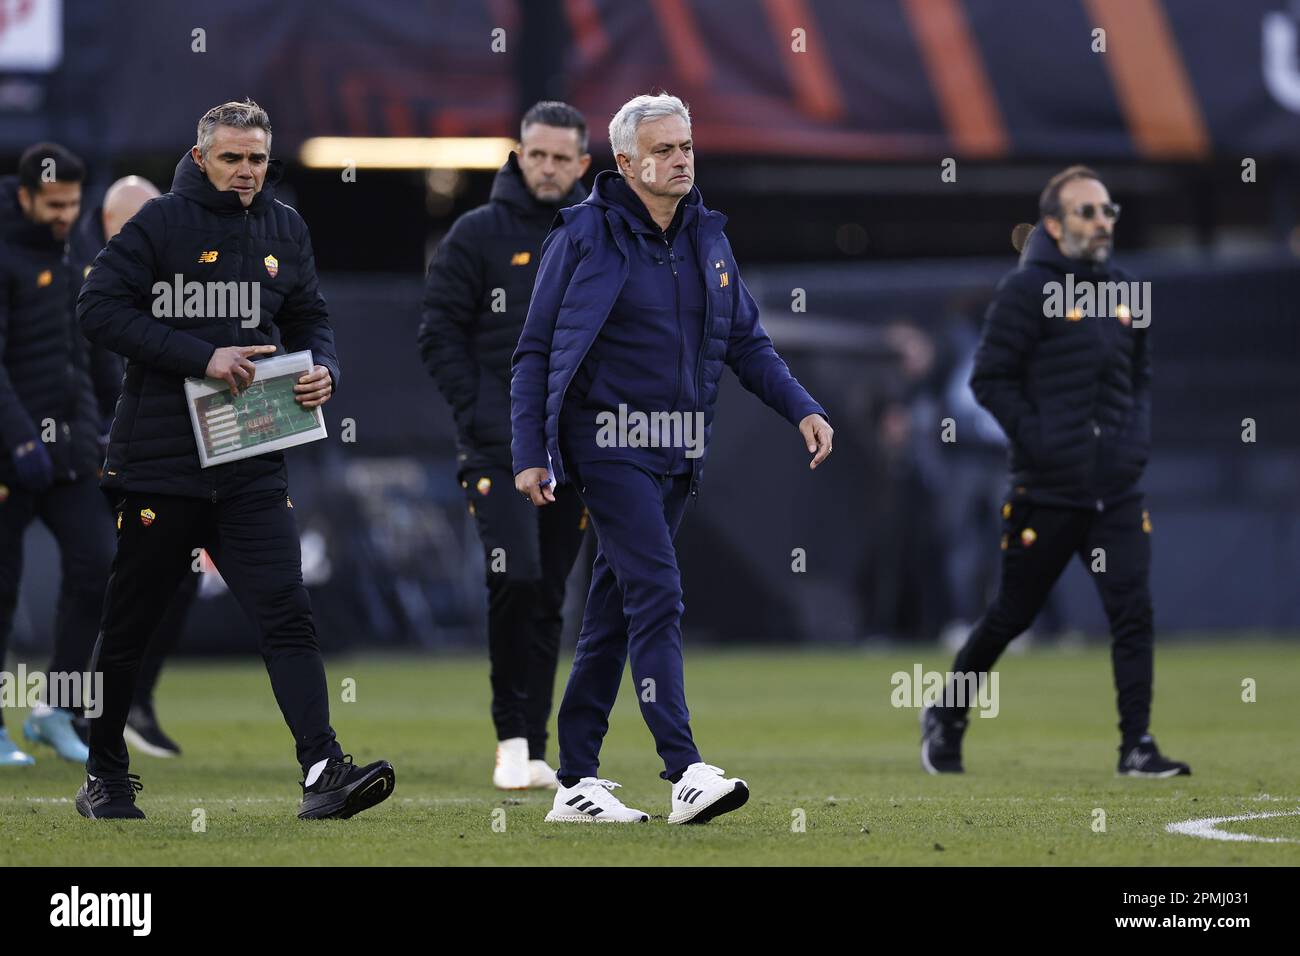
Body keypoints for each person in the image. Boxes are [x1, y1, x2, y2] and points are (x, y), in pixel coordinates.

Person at [512, 93, 833, 824]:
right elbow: (534, 350)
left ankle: (575, 783)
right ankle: (684, 771)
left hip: (680, 451)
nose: (680, 158)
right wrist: (531, 451)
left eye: (686, 145)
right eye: (663, 149)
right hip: (609, 445)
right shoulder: (583, 234)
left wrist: (803, 407)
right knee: (657, 595)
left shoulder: (707, 236)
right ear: (625, 163)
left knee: (614, 616)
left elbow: (747, 342)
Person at [75, 99, 394, 819]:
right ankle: (103, 773)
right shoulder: (157, 224)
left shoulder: (284, 226)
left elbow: (309, 313)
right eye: (232, 158)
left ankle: (322, 769)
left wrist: (324, 369)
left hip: (250, 454)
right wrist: (201, 356)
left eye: (257, 159)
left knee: (287, 611)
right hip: (161, 459)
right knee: (132, 623)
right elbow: (96, 308)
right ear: (200, 158)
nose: (247, 171)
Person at [920, 165, 1190, 778]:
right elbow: (988, 378)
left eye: (1107, 211)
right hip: (1048, 488)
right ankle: (948, 714)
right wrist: (1042, 440)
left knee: (1133, 613)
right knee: (1010, 614)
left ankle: (1137, 745)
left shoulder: (1125, 290)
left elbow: (1140, 378)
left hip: (1116, 489)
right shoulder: (1023, 291)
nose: (1101, 223)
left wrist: (1132, 442)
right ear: (1054, 224)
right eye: (1087, 212)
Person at [418, 101, 591, 790]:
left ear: (583, 164)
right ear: (519, 154)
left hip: (575, 448)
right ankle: (510, 739)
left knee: (550, 592)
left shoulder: (599, 234)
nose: (546, 168)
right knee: (513, 576)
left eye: (561, 158)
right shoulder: (476, 234)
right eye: (536, 154)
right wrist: (491, 418)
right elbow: (437, 335)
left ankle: (535, 746)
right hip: (497, 450)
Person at [73, 174, 195, 758]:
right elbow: (66, 368)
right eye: (132, 223)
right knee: (100, 574)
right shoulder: (90, 284)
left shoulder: (183, 281)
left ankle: (133, 698)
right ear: (106, 227)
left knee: (179, 574)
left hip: (158, 457)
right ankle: (72, 703)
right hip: (87, 454)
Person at [0, 143, 114, 767]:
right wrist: (19, 440)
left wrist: (110, 426)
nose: (66, 214)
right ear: (25, 198)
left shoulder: (80, 258)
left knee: (97, 567)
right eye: (54, 204)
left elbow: (95, 355)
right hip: (10, 457)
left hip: (70, 454)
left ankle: (56, 709)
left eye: (73, 203)